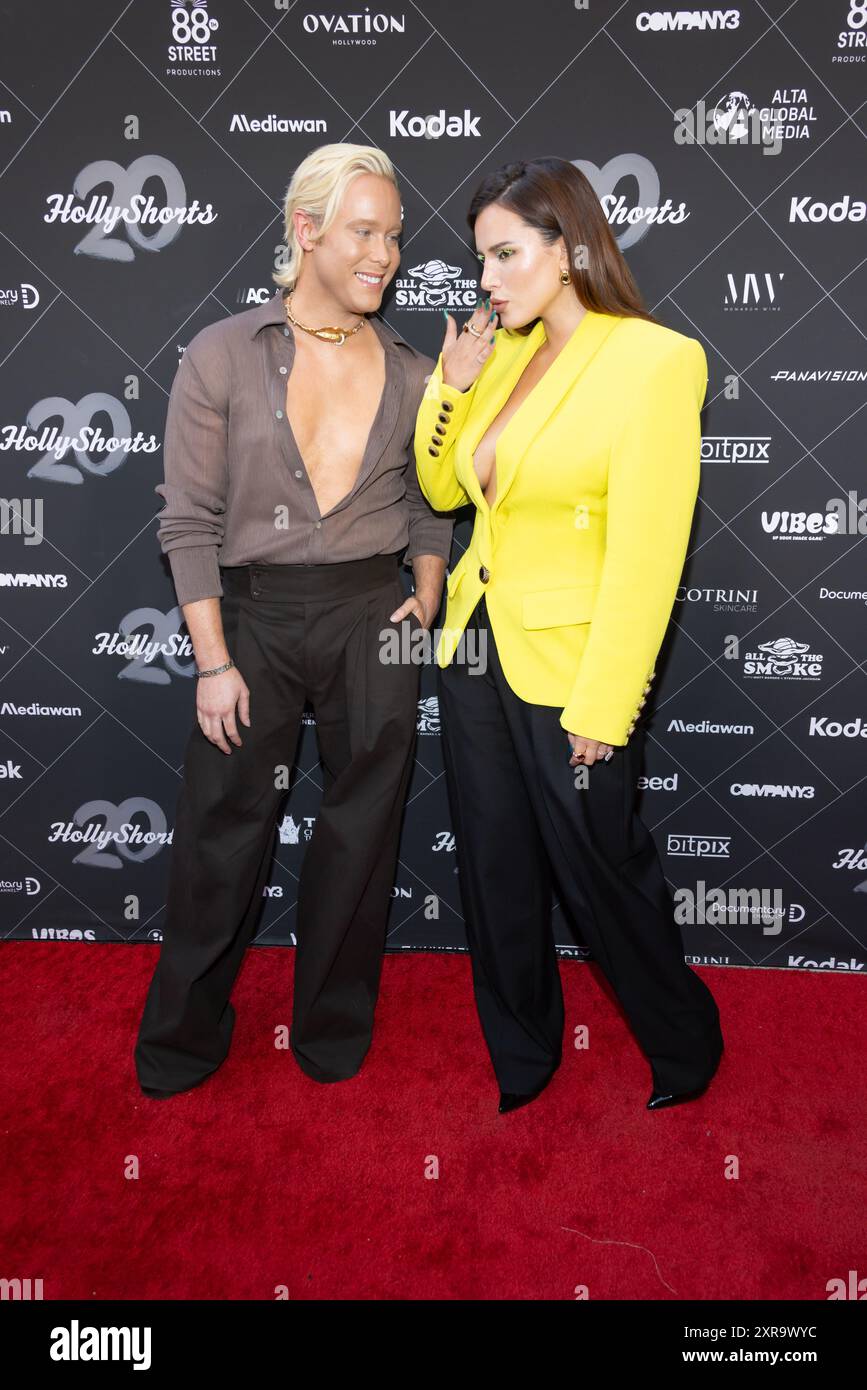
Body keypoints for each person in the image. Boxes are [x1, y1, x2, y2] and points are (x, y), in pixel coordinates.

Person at [134, 144, 451, 1098]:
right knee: (221, 832)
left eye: (393, 235)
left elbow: (433, 502)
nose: (385, 254)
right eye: (364, 231)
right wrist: (212, 660)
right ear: (306, 231)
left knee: (361, 834)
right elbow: (186, 519)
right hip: (255, 620)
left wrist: (426, 592)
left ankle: (330, 1028)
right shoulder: (224, 352)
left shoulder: (411, 368)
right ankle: (183, 1041)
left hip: (373, 613)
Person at [414, 157, 724, 1115]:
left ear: (571, 246)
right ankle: (522, 1052)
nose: (487, 282)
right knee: (494, 859)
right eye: (481, 262)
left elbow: (647, 553)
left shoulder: (654, 361)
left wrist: (606, 700)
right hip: (474, 648)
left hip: (572, 666)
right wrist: (449, 388)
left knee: (602, 866)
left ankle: (682, 1045)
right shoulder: (496, 355)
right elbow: (441, 491)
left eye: (506, 255)